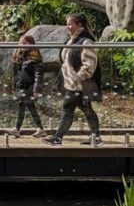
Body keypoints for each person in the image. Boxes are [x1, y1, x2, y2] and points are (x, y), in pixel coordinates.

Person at [44, 13, 103, 146]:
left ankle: (58, 138)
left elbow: (89, 65)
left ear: (79, 25)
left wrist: (77, 78)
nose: (68, 27)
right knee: (86, 109)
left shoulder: (86, 42)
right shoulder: (72, 41)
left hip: (79, 84)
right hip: (72, 83)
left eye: (70, 24)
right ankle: (96, 137)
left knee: (67, 107)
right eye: (67, 24)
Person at [7, 35, 46, 138]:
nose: (22, 45)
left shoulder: (34, 58)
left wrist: (36, 89)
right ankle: (20, 129)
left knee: (28, 106)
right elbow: (15, 75)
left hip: (30, 86)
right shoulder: (19, 57)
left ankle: (22, 129)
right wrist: (14, 87)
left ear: (31, 44)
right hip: (22, 86)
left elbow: (38, 74)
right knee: (24, 107)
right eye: (21, 43)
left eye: (25, 43)